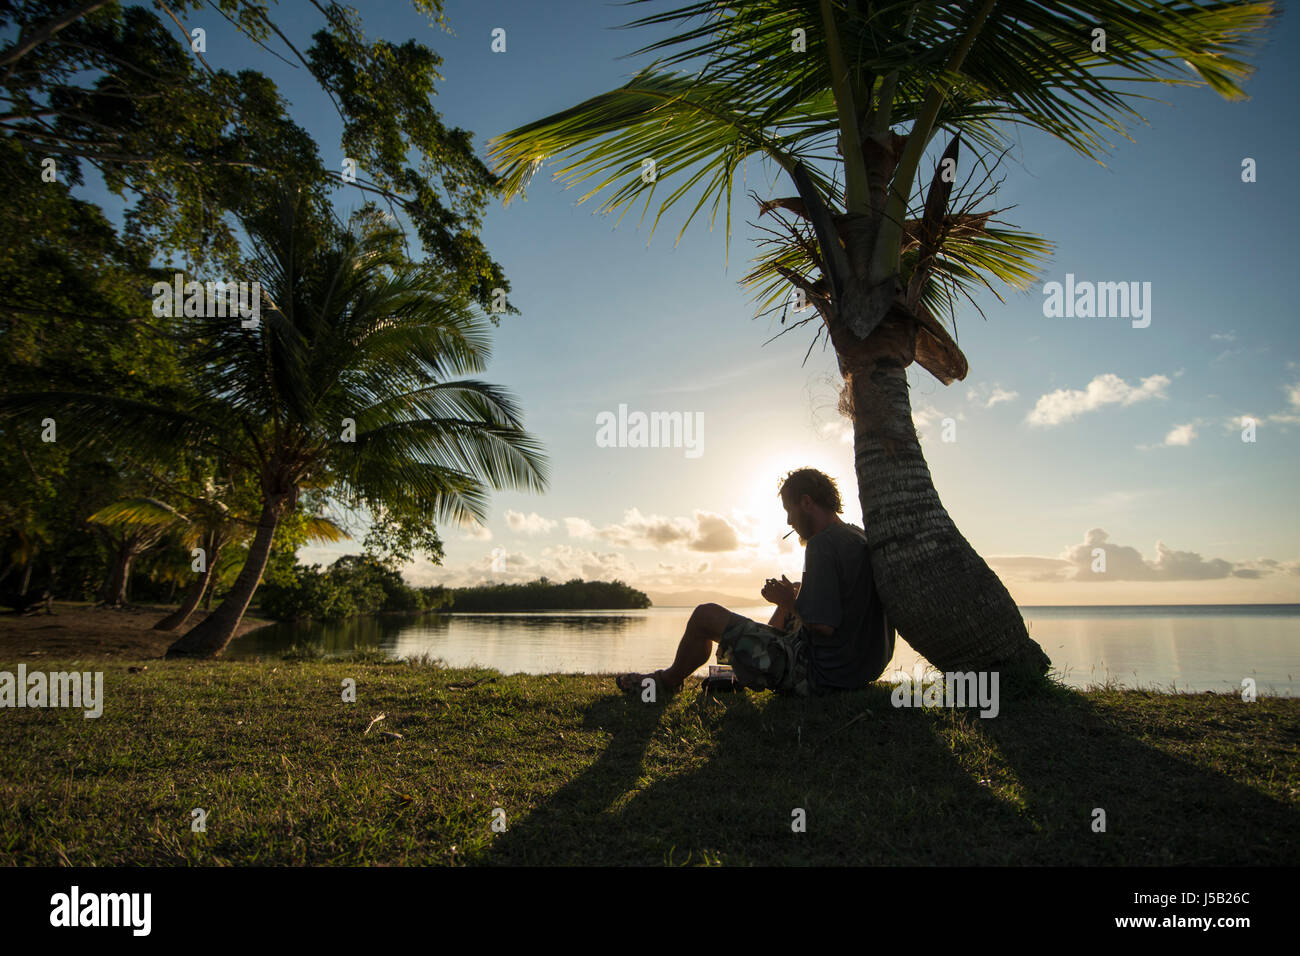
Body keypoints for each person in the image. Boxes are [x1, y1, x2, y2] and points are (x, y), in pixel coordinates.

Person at [615, 467, 894, 698]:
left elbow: (823, 626)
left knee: (705, 615)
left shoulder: (822, 544)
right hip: (861, 668)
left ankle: (666, 682)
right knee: (790, 598)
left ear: (807, 503)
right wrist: (796, 597)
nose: (789, 521)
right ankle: (731, 675)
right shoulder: (857, 535)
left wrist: (787, 602)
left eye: (789, 511)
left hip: (822, 673)